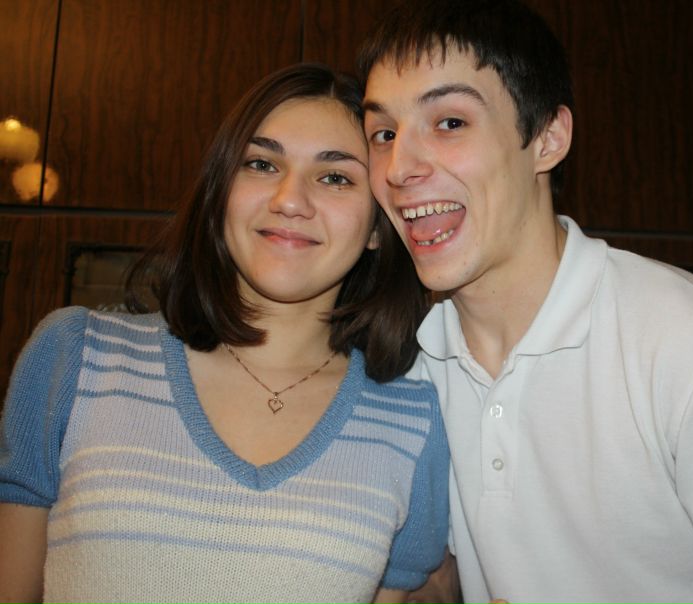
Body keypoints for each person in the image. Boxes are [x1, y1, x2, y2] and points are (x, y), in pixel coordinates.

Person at [355, 1, 693, 603]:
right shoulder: (409, 367)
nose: (399, 167)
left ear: (548, 139)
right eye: (384, 134)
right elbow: (440, 575)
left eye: (450, 122)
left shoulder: (692, 345)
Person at [0, 63, 448, 604]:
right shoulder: (74, 357)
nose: (290, 199)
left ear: (378, 226)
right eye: (261, 164)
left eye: (335, 177)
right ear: (220, 192)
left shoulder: (413, 423)